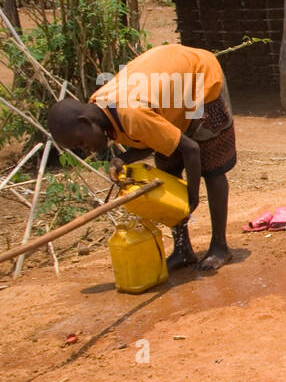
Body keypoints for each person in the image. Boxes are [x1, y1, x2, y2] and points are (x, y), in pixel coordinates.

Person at [48, 44, 235, 272]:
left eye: (80, 143)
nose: (86, 149)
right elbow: (151, 138)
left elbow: (192, 150)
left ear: (86, 123)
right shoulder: (102, 104)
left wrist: (191, 198)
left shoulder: (130, 112)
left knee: (212, 165)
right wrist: (124, 159)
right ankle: (183, 249)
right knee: (167, 167)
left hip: (201, 80)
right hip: (172, 94)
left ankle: (219, 247)